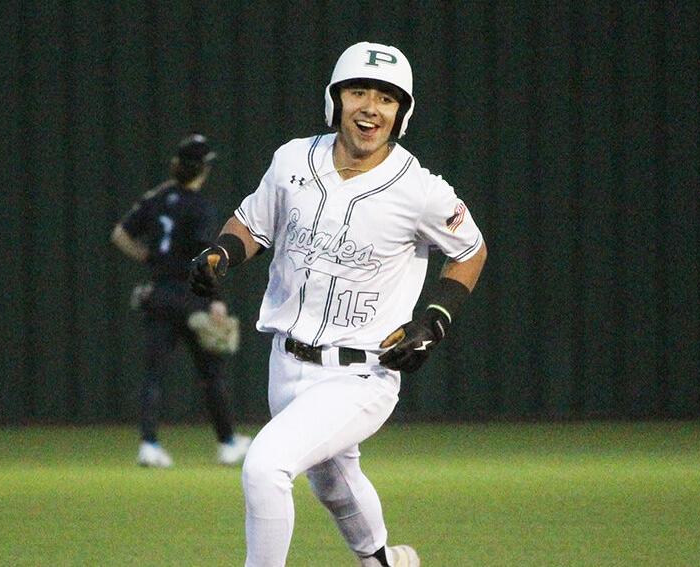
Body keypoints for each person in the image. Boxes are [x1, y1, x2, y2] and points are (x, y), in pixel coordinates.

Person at [188, 42, 487, 566]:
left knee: (265, 466)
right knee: (333, 480)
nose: (371, 108)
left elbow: (470, 250)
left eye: (387, 99)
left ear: (402, 113)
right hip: (286, 361)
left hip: (363, 372)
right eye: (359, 92)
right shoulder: (292, 159)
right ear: (335, 100)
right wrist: (223, 252)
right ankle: (384, 562)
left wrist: (434, 320)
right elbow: (252, 224)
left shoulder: (420, 190)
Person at [110, 134, 251, 468]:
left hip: (159, 295)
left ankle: (149, 445)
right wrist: (216, 299)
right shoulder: (200, 207)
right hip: (191, 297)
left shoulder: (156, 198)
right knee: (212, 374)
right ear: (203, 169)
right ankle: (228, 443)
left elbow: (119, 235)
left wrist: (150, 258)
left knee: (153, 374)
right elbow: (204, 257)